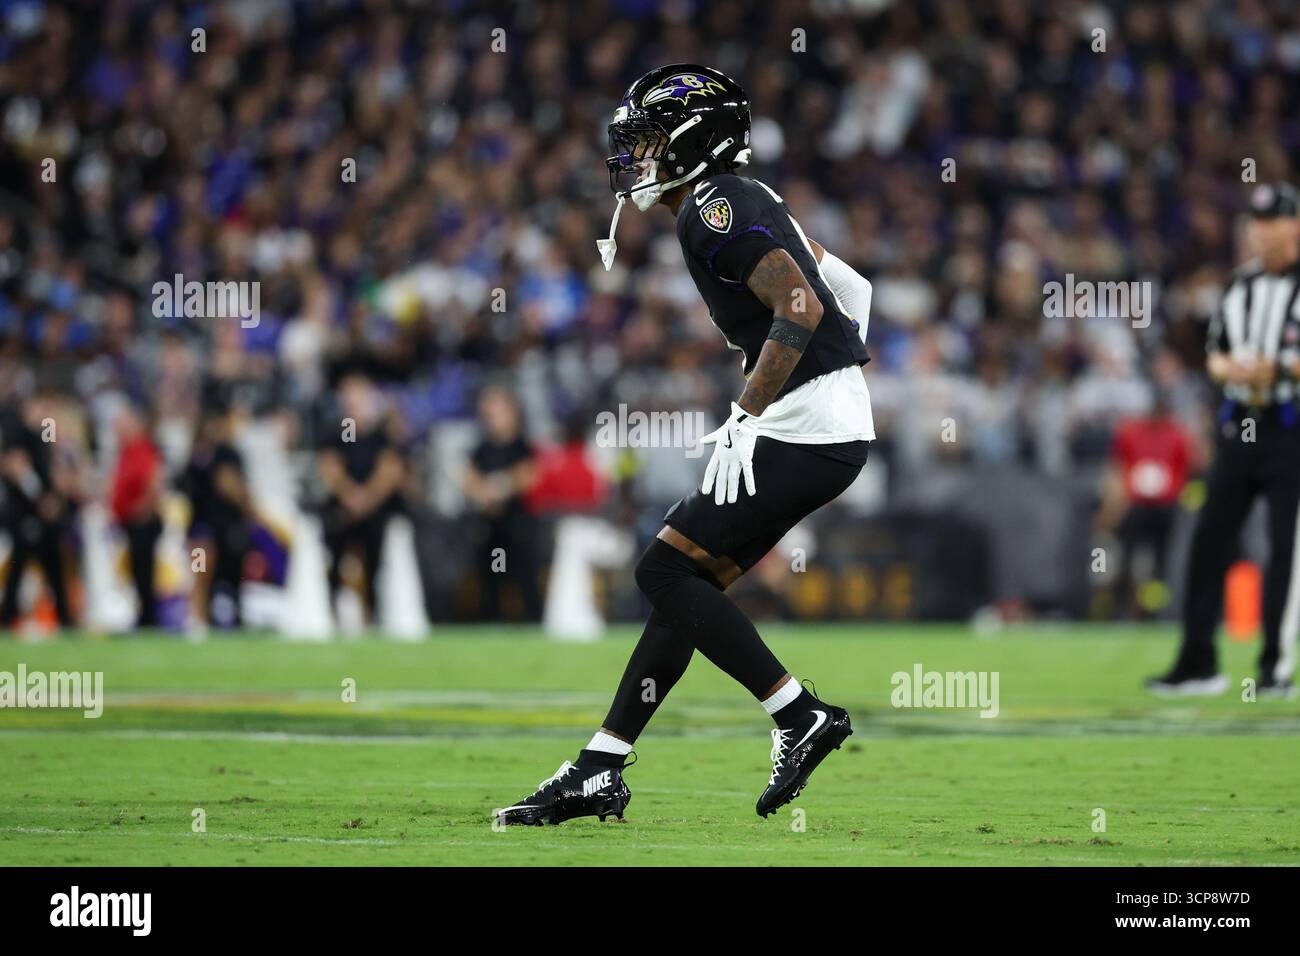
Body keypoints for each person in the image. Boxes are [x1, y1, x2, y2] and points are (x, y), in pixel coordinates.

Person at [497, 65, 875, 825]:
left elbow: (799, 304)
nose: (633, 158)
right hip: (822, 423)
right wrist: (831, 377)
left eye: (645, 141)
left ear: (690, 142)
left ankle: (797, 714)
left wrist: (748, 412)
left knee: (663, 569)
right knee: (684, 581)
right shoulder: (743, 196)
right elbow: (853, 290)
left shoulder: (711, 207)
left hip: (803, 424)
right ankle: (600, 764)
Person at [1148, 183, 1300, 698]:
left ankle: (1275, 669)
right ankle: (1198, 662)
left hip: (1290, 426)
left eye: (1272, 220)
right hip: (1240, 428)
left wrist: (1276, 368)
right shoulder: (1241, 285)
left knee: (1286, 549)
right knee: (1209, 539)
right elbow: (1214, 352)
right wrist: (1228, 367)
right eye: (1256, 222)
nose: (1260, 231)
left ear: (1294, 225)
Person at [1096, 390, 1195, 618]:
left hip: (1165, 507)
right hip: (1136, 505)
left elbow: (1184, 468)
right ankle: (1120, 607)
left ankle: (1154, 610)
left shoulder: (1177, 435)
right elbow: (1119, 465)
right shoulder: (1131, 432)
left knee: (1161, 560)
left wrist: (1174, 490)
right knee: (1126, 556)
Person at [318, 373, 406, 625]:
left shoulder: (382, 435)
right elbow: (330, 468)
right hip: (343, 509)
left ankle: (374, 615)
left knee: (375, 561)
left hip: (375, 510)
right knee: (335, 556)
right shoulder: (336, 434)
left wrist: (367, 498)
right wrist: (350, 496)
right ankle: (334, 615)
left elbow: (390, 470)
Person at [463, 385, 540, 621]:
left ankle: (532, 621)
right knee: (490, 581)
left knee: (524, 579)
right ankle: (490, 622)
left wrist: (499, 489)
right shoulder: (482, 449)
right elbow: (468, 478)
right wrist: (484, 493)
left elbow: (529, 475)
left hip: (517, 525)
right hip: (490, 526)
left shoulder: (522, 446)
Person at [0, 392, 77, 630]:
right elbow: (17, 468)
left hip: (45, 515)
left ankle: (64, 619)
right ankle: (9, 617)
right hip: (24, 513)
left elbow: (57, 474)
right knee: (19, 566)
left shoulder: (45, 439)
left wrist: (54, 498)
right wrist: (42, 499)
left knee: (52, 566)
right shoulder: (19, 435)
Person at [180, 402, 254, 629]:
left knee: (217, 576)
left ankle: (206, 618)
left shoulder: (220, 453)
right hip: (204, 530)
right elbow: (227, 486)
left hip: (221, 528)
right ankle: (197, 618)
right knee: (202, 572)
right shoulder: (208, 455)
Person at [109, 405, 165, 628]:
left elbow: (154, 484)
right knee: (135, 569)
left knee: (144, 570)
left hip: (143, 522)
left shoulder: (144, 450)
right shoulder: (125, 452)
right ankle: (144, 615)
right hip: (130, 523)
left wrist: (142, 510)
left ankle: (149, 618)